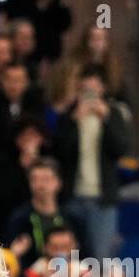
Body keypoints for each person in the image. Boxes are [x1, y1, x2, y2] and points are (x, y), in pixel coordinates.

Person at [51, 64, 132, 259]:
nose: (89, 94)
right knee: (67, 256)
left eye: (93, 89)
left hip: (102, 199)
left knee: (100, 257)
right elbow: (60, 151)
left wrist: (106, 119)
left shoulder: (114, 114)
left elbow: (121, 149)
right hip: (72, 196)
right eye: (84, 89)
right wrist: (74, 121)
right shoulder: (69, 116)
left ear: (102, 89)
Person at [0, 0, 71, 76]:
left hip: (49, 56)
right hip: (21, 54)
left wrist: (49, 1)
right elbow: (9, 20)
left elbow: (65, 24)